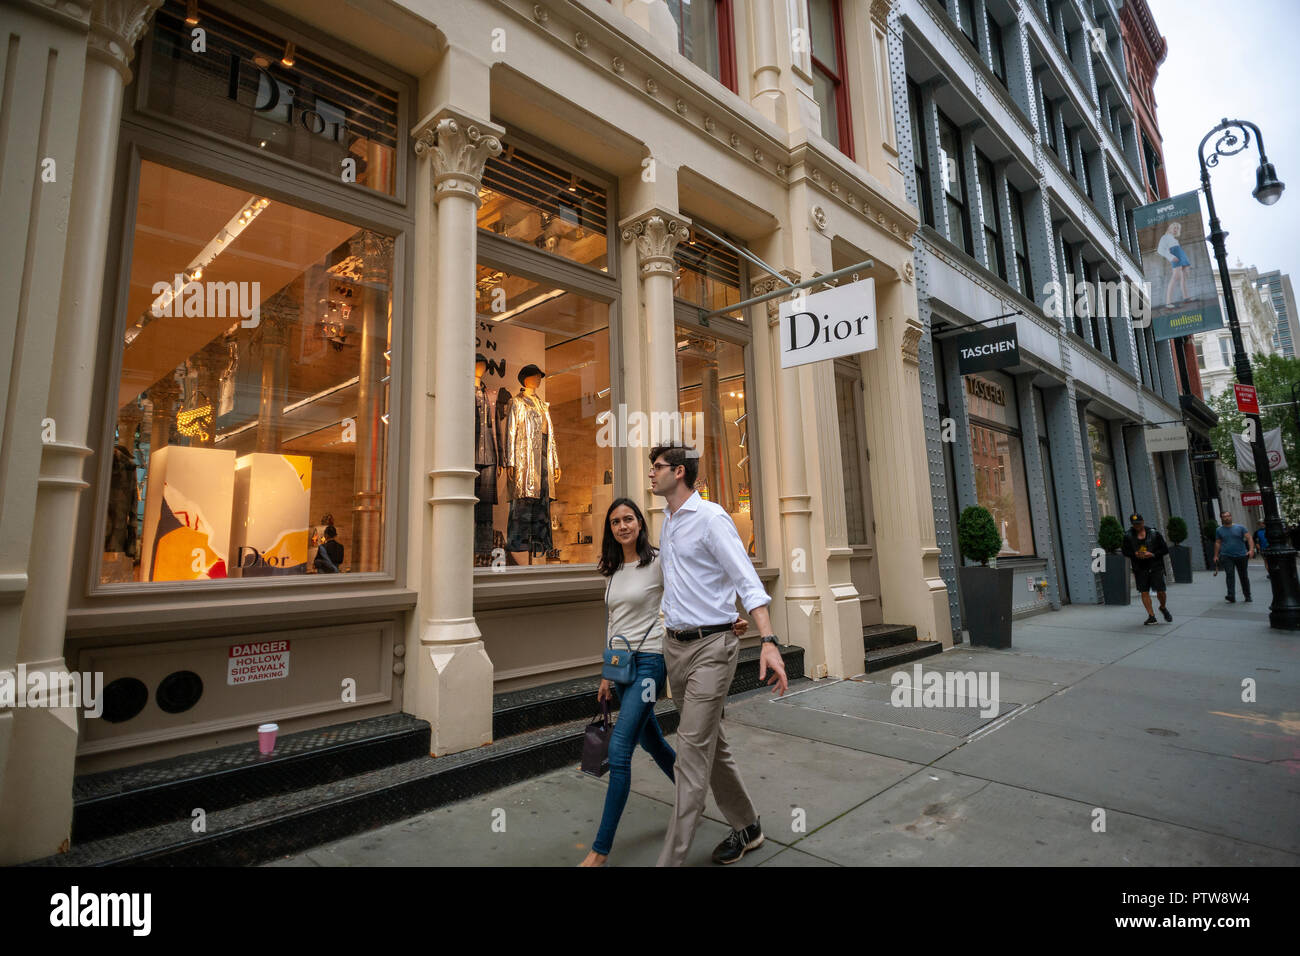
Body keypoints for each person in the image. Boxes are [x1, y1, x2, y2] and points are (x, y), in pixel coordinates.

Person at [649, 444, 788, 867]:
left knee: (690, 756)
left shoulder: (710, 519)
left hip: (712, 649)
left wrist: (768, 641)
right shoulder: (668, 523)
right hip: (676, 647)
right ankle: (748, 826)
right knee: (713, 746)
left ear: (678, 472)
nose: (651, 475)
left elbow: (747, 581)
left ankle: (669, 861)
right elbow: (684, 586)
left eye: (657, 468)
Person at [1120, 513, 1171, 625]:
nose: (1137, 526)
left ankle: (1162, 607)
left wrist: (1152, 554)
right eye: (1134, 524)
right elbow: (1125, 551)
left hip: (1155, 566)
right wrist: (1135, 554)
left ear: (1143, 522)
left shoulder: (1154, 533)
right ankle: (1151, 616)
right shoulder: (1128, 536)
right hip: (1140, 568)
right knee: (1144, 591)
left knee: (1161, 591)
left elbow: (1165, 549)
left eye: (1138, 523)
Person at [1213, 510, 1255, 603]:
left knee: (1243, 576)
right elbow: (1217, 542)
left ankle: (1247, 596)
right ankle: (1231, 595)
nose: (1226, 518)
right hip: (1226, 556)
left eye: (1228, 516)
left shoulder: (1240, 527)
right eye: (1224, 516)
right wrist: (1215, 555)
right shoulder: (1219, 530)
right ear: (1221, 518)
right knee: (1229, 574)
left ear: (1231, 517)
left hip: (1241, 555)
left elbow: (1249, 538)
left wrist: (1251, 550)